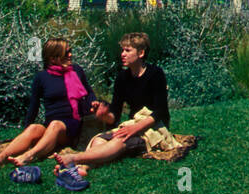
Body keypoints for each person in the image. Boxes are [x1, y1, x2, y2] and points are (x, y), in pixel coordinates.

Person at [53, 32, 170, 175]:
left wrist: (135, 128)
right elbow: (115, 113)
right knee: (99, 141)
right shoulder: (122, 78)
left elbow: (160, 111)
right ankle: (83, 168)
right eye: (122, 50)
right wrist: (104, 115)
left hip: (153, 127)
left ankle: (74, 159)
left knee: (118, 142)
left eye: (128, 50)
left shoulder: (155, 74)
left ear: (141, 53)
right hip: (132, 125)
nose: (123, 54)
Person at [0, 38, 101, 167]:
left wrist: (93, 102)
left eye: (70, 51)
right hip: (50, 124)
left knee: (56, 125)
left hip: (72, 124)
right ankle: (0, 158)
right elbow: (34, 105)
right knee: (34, 128)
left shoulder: (76, 70)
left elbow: (88, 91)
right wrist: (27, 128)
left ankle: (28, 156)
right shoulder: (41, 77)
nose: (70, 55)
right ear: (53, 58)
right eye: (66, 53)